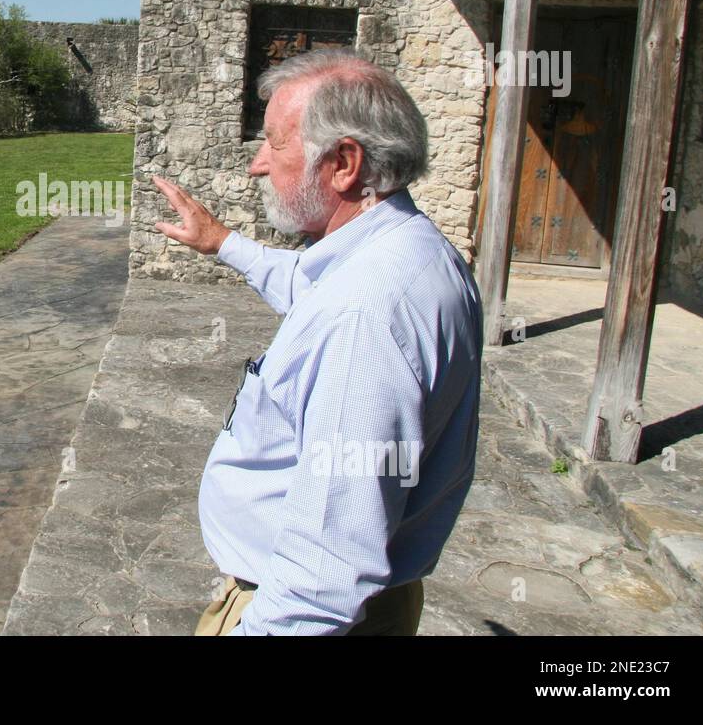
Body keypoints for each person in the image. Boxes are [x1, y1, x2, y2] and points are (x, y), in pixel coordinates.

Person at [153, 48, 482, 636]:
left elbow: (327, 571)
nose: (258, 165)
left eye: (276, 144)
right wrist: (224, 242)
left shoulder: (366, 315)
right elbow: (311, 289)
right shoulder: (405, 252)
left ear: (343, 164)